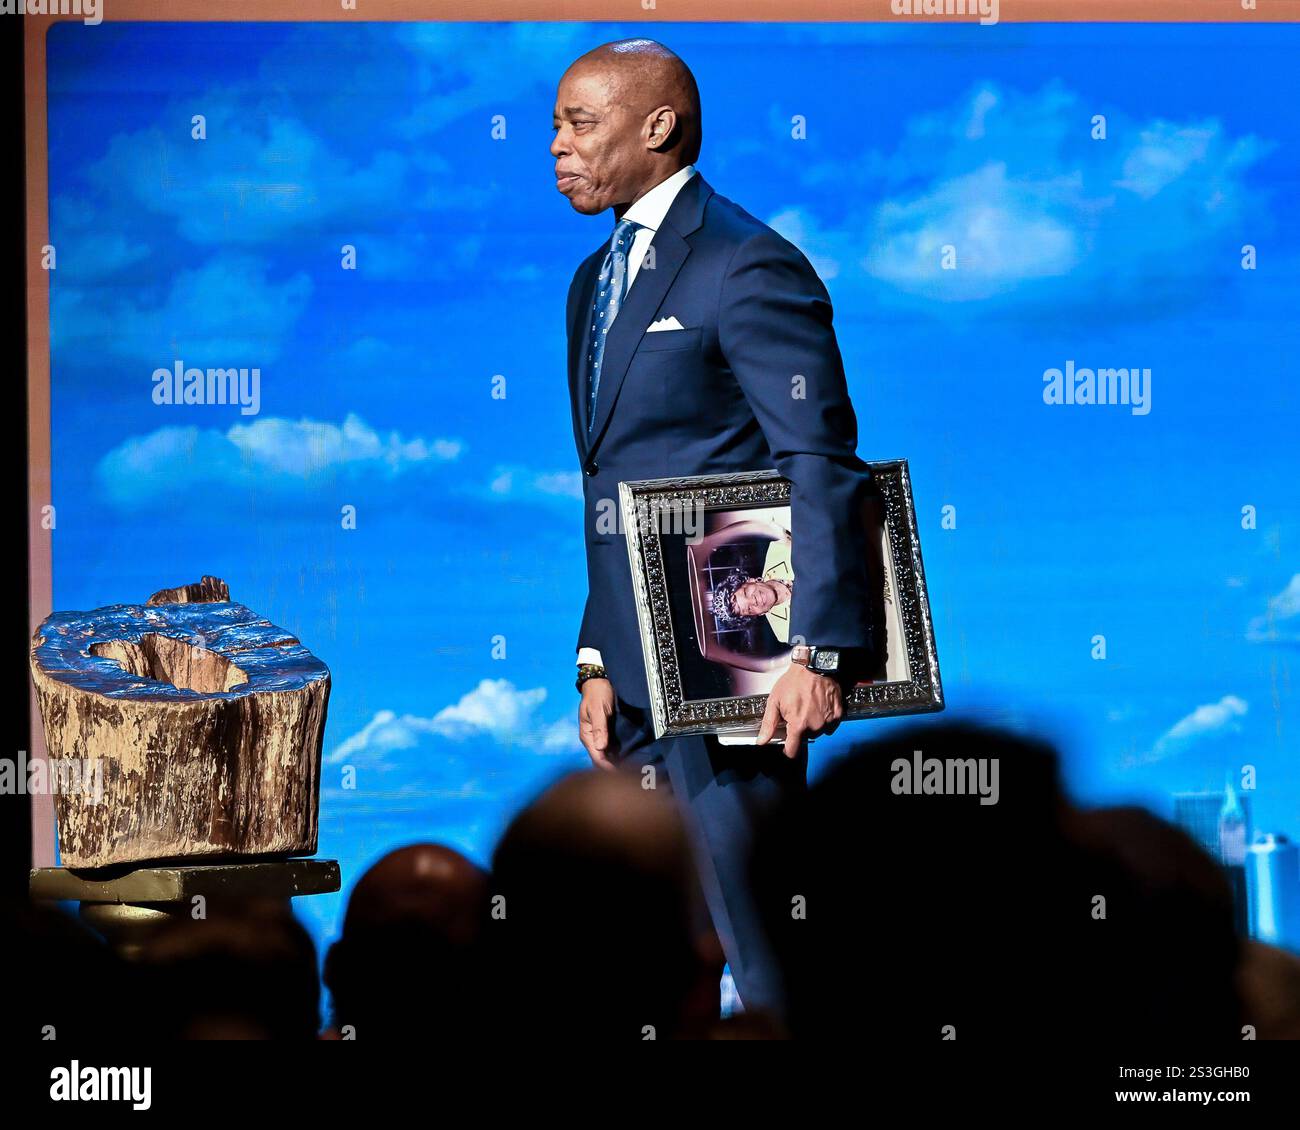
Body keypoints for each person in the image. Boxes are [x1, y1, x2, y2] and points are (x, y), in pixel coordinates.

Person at [552, 37, 876, 1015]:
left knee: (766, 942)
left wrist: (815, 649)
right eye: (554, 126)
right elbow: (614, 482)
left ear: (657, 126)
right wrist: (597, 657)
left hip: (740, 669)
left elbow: (817, 460)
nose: (556, 147)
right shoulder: (587, 284)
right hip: (636, 678)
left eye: (579, 123)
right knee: (656, 957)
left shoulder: (746, 260)